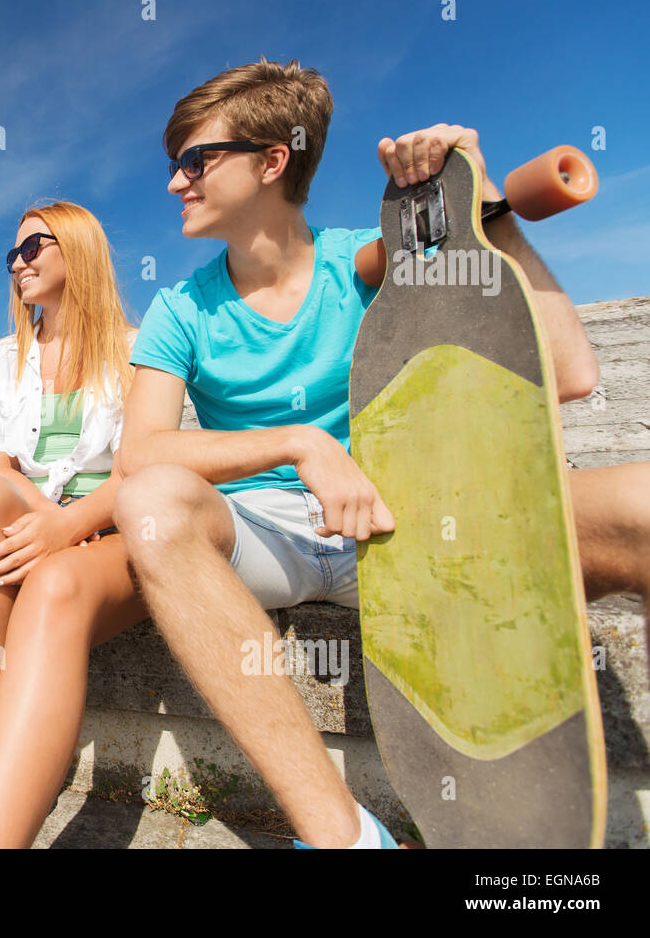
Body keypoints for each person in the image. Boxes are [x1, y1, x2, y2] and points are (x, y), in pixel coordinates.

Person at [113, 58, 650, 848]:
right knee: (151, 506)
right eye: (175, 164)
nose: (174, 183)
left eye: (195, 160)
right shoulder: (179, 308)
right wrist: (301, 443)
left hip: (402, 528)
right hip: (269, 536)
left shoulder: (367, 260)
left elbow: (568, 374)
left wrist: (480, 206)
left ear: (271, 160)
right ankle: (342, 837)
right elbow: (141, 454)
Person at [0, 201, 144, 848]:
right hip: (39, 524)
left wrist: (72, 526)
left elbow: (139, 471)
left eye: (32, 249)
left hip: (114, 529)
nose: (17, 264)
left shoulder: (136, 348)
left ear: (76, 249)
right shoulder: (4, 356)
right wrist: (49, 523)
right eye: (11, 256)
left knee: (46, 559)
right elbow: (0, 475)